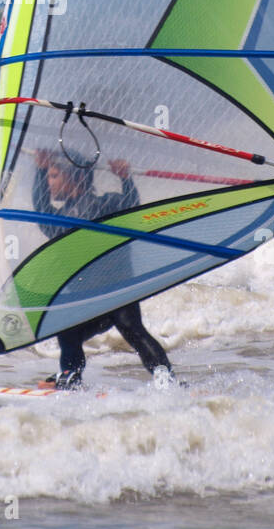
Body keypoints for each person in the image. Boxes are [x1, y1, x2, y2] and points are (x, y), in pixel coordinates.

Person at [32, 149, 173, 389]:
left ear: (73, 178)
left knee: (131, 328)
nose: (49, 181)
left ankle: (165, 379)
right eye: (49, 176)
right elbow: (41, 208)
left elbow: (131, 208)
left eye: (54, 176)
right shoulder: (63, 217)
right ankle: (70, 375)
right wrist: (41, 170)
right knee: (68, 331)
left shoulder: (102, 204)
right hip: (91, 298)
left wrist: (125, 178)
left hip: (116, 289)